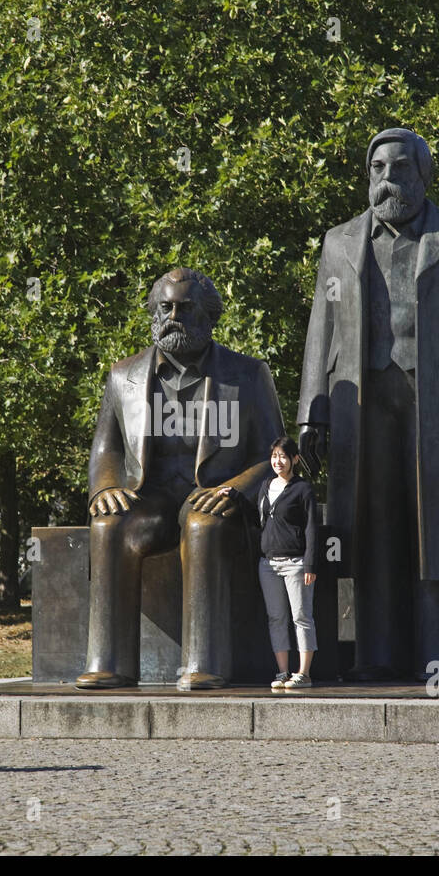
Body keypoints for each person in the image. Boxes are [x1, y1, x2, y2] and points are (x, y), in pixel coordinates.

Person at [297, 127, 439, 680]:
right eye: (379, 170)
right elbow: (320, 330)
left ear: (424, 176)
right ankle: (377, 655)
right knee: (372, 528)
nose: (389, 180)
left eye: (401, 169)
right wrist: (310, 412)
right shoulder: (338, 242)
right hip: (359, 402)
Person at [80, 267, 284, 691]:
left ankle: (203, 664)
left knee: (201, 524)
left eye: (185, 308)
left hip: (211, 495)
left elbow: (273, 454)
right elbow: (107, 449)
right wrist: (105, 487)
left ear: (209, 316)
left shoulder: (247, 374)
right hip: (148, 496)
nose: (173, 316)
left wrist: (237, 489)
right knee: (108, 526)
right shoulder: (123, 376)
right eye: (165, 307)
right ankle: (108, 663)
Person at [222, 436, 319, 689]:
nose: (278, 461)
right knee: (276, 618)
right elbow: (259, 520)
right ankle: (283, 672)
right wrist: (236, 496)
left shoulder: (303, 489)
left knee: (301, 617)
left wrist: (310, 564)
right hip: (268, 564)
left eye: (283, 456)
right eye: (275, 456)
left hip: (296, 563)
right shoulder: (265, 485)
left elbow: (311, 529)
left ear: (294, 459)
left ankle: (304, 674)